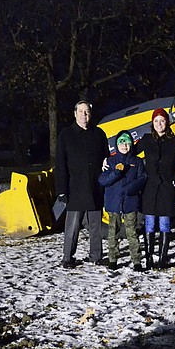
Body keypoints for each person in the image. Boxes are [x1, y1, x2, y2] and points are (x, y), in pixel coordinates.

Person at [55, 100, 109, 268]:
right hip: (74, 187)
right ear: (75, 113)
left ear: (90, 114)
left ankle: (96, 255)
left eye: (87, 112)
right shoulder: (65, 135)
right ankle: (67, 258)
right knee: (72, 225)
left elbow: (106, 157)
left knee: (95, 224)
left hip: (95, 186)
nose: (84, 115)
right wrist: (61, 190)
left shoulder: (99, 134)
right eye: (81, 112)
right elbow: (60, 165)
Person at [137, 108, 175, 269]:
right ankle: (148, 258)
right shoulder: (147, 139)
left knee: (164, 223)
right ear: (152, 123)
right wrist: (110, 160)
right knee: (149, 223)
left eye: (162, 120)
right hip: (150, 187)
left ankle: (162, 259)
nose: (159, 124)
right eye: (156, 121)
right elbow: (130, 153)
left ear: (167, 122)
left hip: (167, 187)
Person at [98, 130, 147, 271]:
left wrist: (131, 189)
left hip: (130, 202)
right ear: (116, 145)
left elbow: (142, 178)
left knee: (132, 232)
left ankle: (136, 260)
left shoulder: (137, 162)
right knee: (113, 233)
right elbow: (103, 180)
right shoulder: (111, 161)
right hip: (113, 203)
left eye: (127, 143)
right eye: (121, 143)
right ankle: (113, 259)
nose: (125, 146)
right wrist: (116, 172)